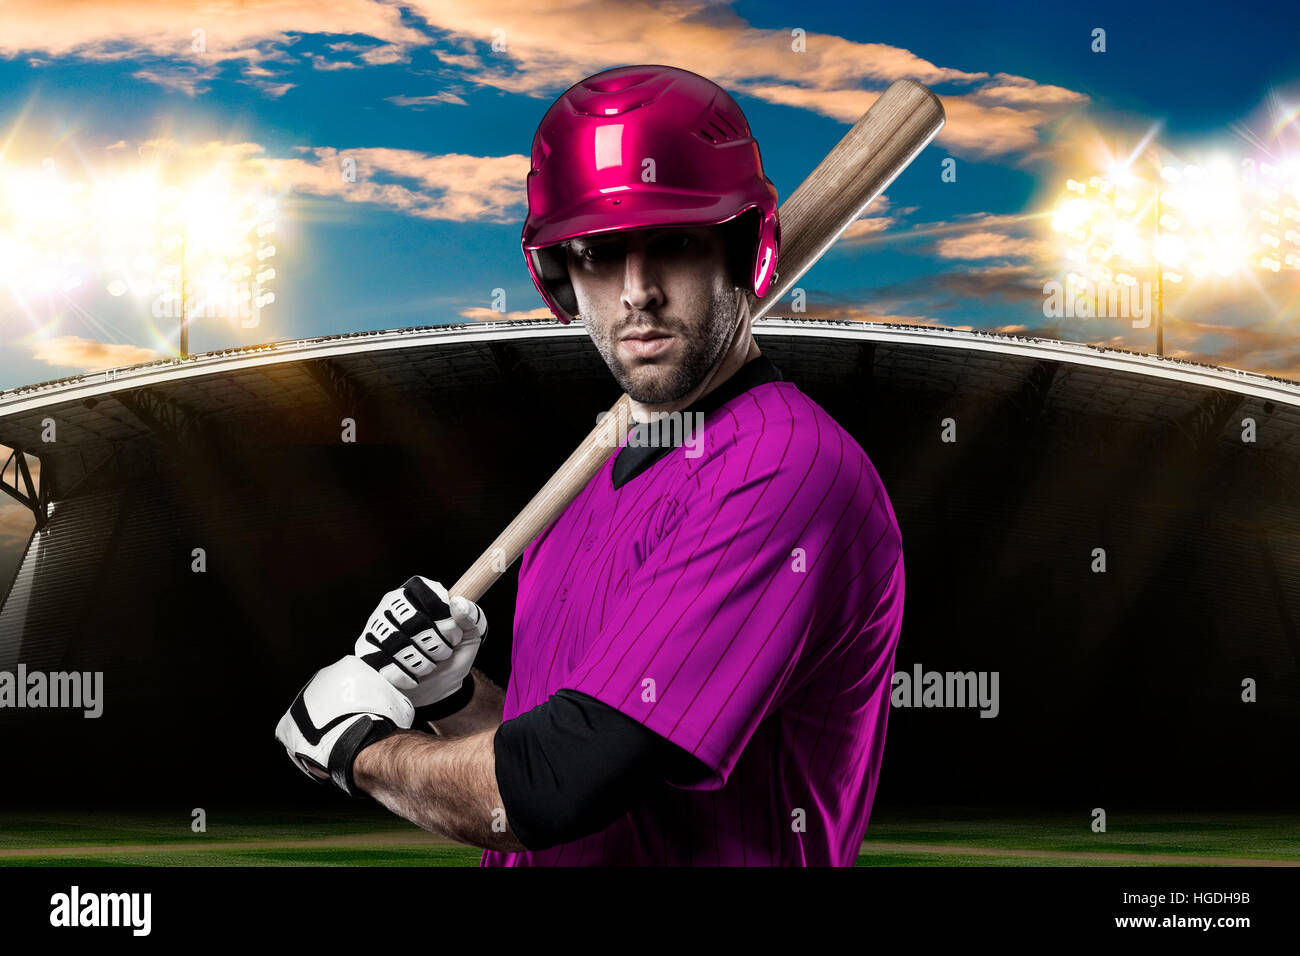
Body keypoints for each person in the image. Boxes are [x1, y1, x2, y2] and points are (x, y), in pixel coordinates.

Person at [276, 64, 905, 866]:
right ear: (558, 277)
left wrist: (357, 749)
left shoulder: (786, 470)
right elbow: (545, 749)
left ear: (745, 248)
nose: (637, 291)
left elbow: (557, 783)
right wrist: (452, 697)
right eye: (600, 253)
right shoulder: (581, 490)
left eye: (673, 242)